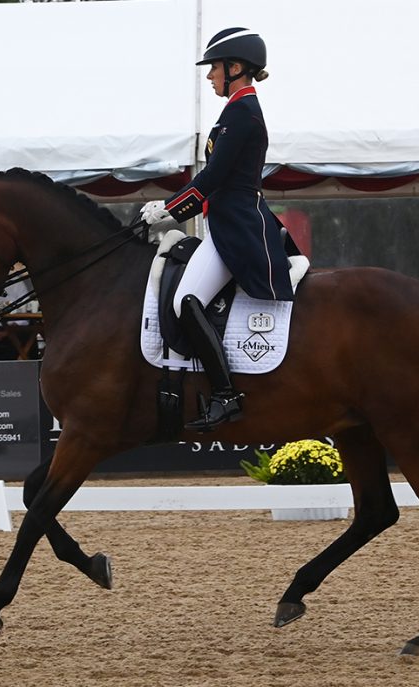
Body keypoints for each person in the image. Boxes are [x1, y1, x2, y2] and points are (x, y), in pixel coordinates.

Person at [139, 27, 292, 432]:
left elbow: (214, 178)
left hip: (236, 227)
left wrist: (169, 211)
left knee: (186, 300)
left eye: (214, 69)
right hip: (224, 222)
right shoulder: (235, 111)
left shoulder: (243, 113)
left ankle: (226, 395)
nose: (209, 77)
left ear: (235, 68)